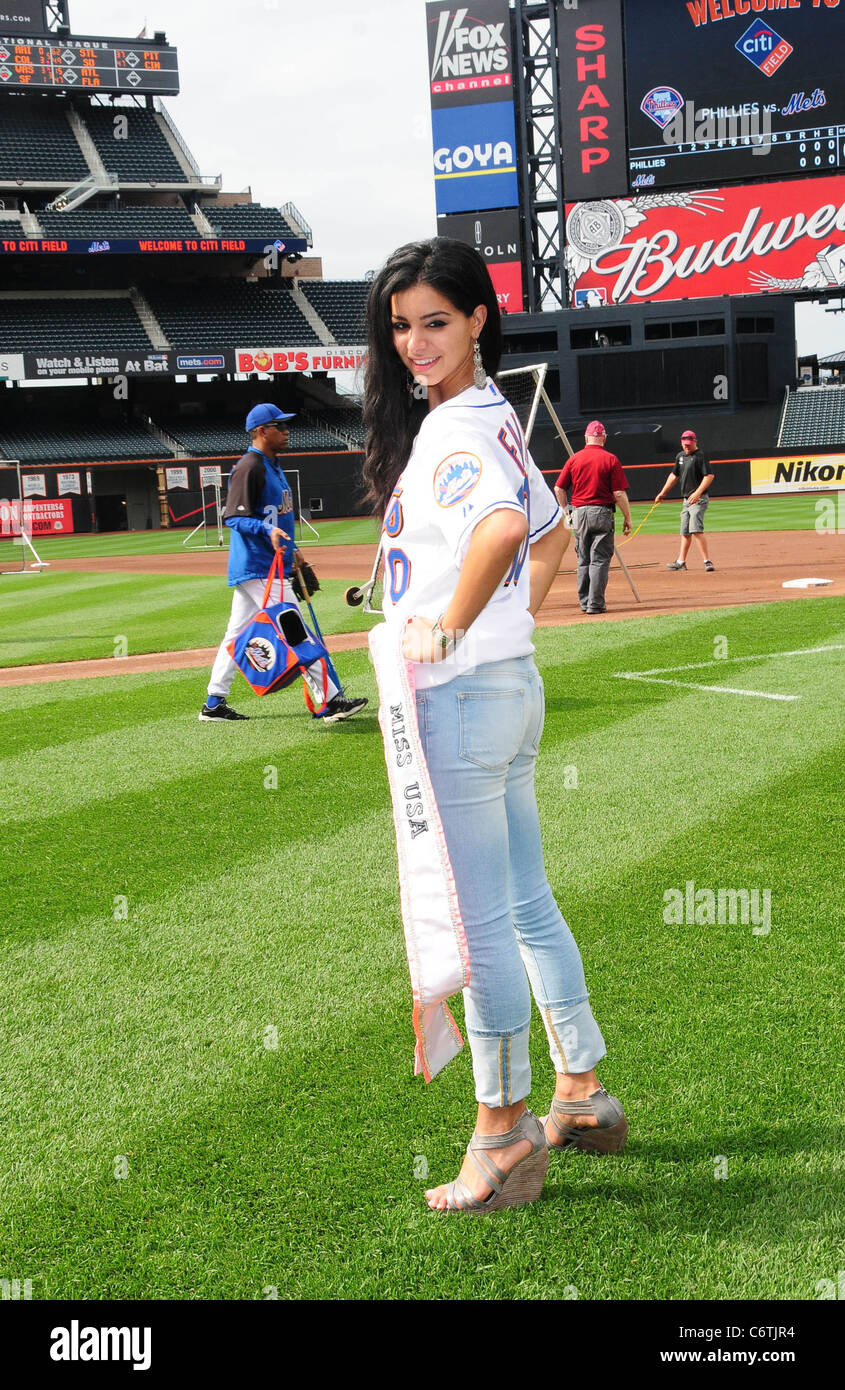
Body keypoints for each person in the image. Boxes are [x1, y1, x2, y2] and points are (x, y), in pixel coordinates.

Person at [362, 238, 626, 1215]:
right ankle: (580, 1087)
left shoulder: (456, 432)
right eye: (399, 325)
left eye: (435, 320)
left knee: (479, 926)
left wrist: (453, 626)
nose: (413, 342)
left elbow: (508, 531)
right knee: (523, 902)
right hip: (505, 686)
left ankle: (502, 1133)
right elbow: (549, 529)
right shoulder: (491, 416)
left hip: (463, 694)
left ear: (478, 319)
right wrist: (504, 630)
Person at [199, 403, 368, 723]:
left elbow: (277, 517)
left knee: (235, 636)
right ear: (262, 431)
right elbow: (234, 516)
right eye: (280, 426)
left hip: (270, 564)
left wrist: (295, 552)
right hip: (260, 566)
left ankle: (213, 703)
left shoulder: (273, 466)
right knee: (297, 631)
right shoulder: (250, 467)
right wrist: (266, 530)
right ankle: (330, 701)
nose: (287, 431)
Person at [553, 422, 632, 613]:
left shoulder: (574, 459)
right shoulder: (611, 459)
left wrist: (566, 512)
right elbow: (619, 493)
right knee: (599, 560)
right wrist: (627, 518)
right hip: (601, 512)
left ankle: (584, 602)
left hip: (579, 513)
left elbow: (558, 488)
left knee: (583, 559)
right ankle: (595, 604)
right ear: (603, 438)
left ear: (586, 438)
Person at [656, 429, 715, 571]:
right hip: (686, 500)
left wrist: (698, 493)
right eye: (684, 444)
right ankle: (681, 562)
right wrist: (662, 493)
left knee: (695, 530)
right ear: (681, 443)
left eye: (689, 444)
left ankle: (707, 561)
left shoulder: (701, 456)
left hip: (699, 499)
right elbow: (674, 476)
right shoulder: (680, 456)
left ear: (695, 442)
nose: (687, 446)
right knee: (685, 531)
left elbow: (709, 476)